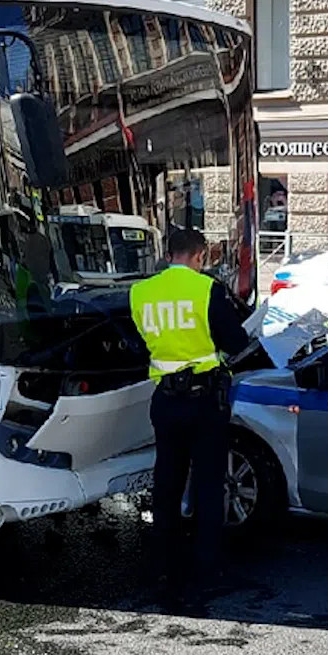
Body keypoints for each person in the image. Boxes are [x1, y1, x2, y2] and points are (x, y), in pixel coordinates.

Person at [129, 228, 253, 607]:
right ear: (200, 256)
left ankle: (162, 564)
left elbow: (138, 344)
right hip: (204, 401)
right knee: (209, 483)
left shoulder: (140, 292)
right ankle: (207, 569)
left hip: (165, 399)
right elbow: (235, 343)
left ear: (168, 253)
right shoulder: (207, 289)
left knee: (166, 480)